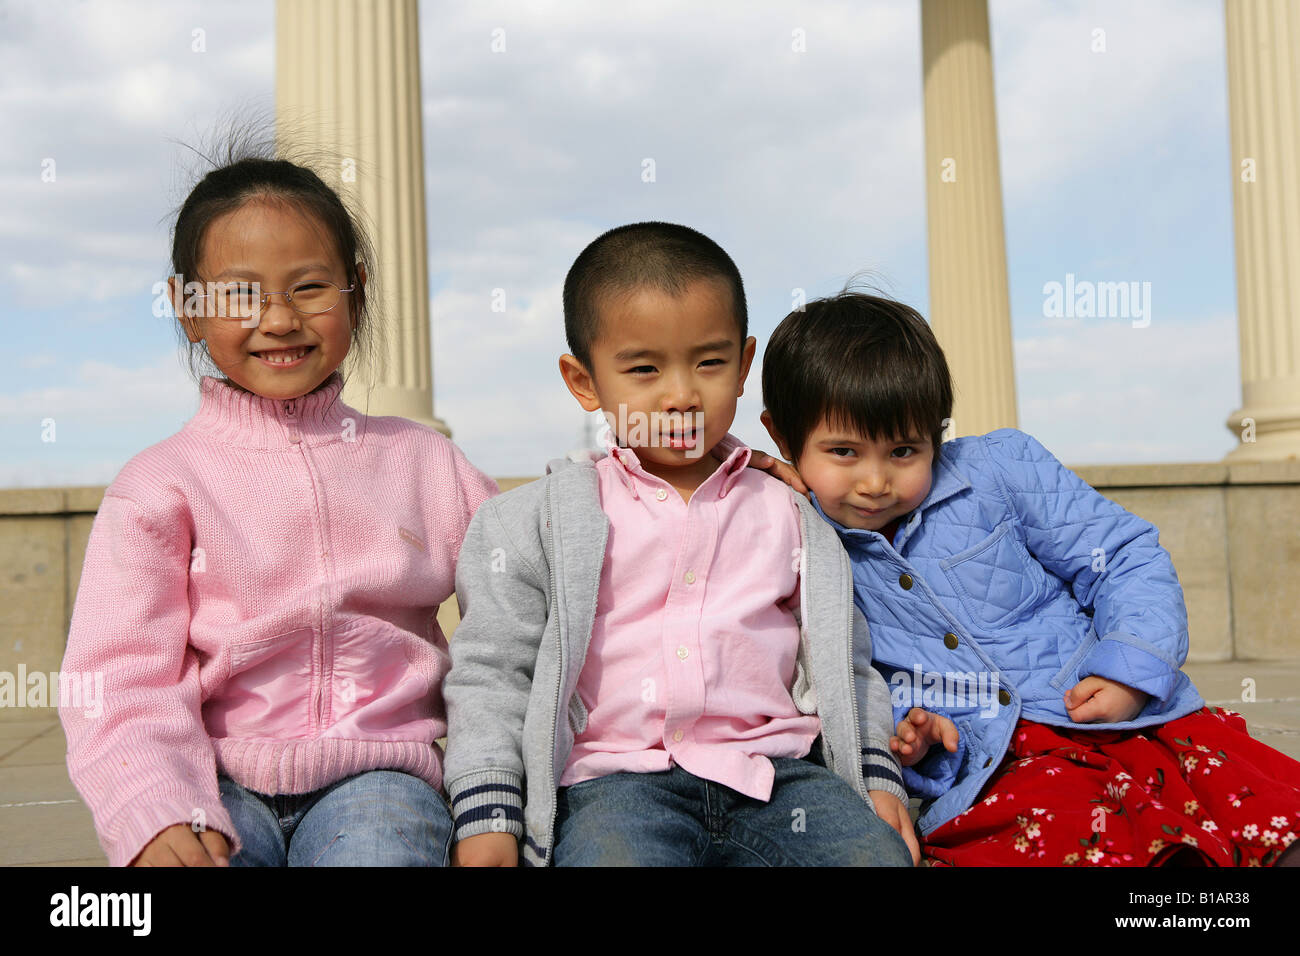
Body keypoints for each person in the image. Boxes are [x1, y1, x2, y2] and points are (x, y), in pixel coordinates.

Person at [58, 150, 498, 867]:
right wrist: (151, 807)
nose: (280, 318)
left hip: (381, 778)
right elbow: (116, 677)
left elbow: (526, 604)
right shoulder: (159, 484)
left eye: (311, 286)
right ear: (188, 309)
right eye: (239, 296)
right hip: (213, 781)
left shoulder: (426, 463)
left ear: (356, 288)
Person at [758, 289, 1300, 866]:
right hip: (1001, 768)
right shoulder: (802, 539)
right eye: (843, 452)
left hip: (1108, 715)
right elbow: (843, 676)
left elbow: (1123, 555)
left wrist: (1130, 671)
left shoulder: (999, 468)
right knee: (1069, 837)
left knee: (1250, 815)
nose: (874, 481)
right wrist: (919, 737)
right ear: (784, 438)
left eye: (903, 450)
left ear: (935, 432)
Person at [442, 222, 915, 867]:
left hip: (778, 779)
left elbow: (844, 660)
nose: (682, 394)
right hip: (615, 787)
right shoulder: (536, 522)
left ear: (745, 365)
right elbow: (493, 673)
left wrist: (876, 774)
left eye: (710, 362)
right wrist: (488, 813)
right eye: (643, 368)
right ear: (584, 382)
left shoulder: (790, 511)